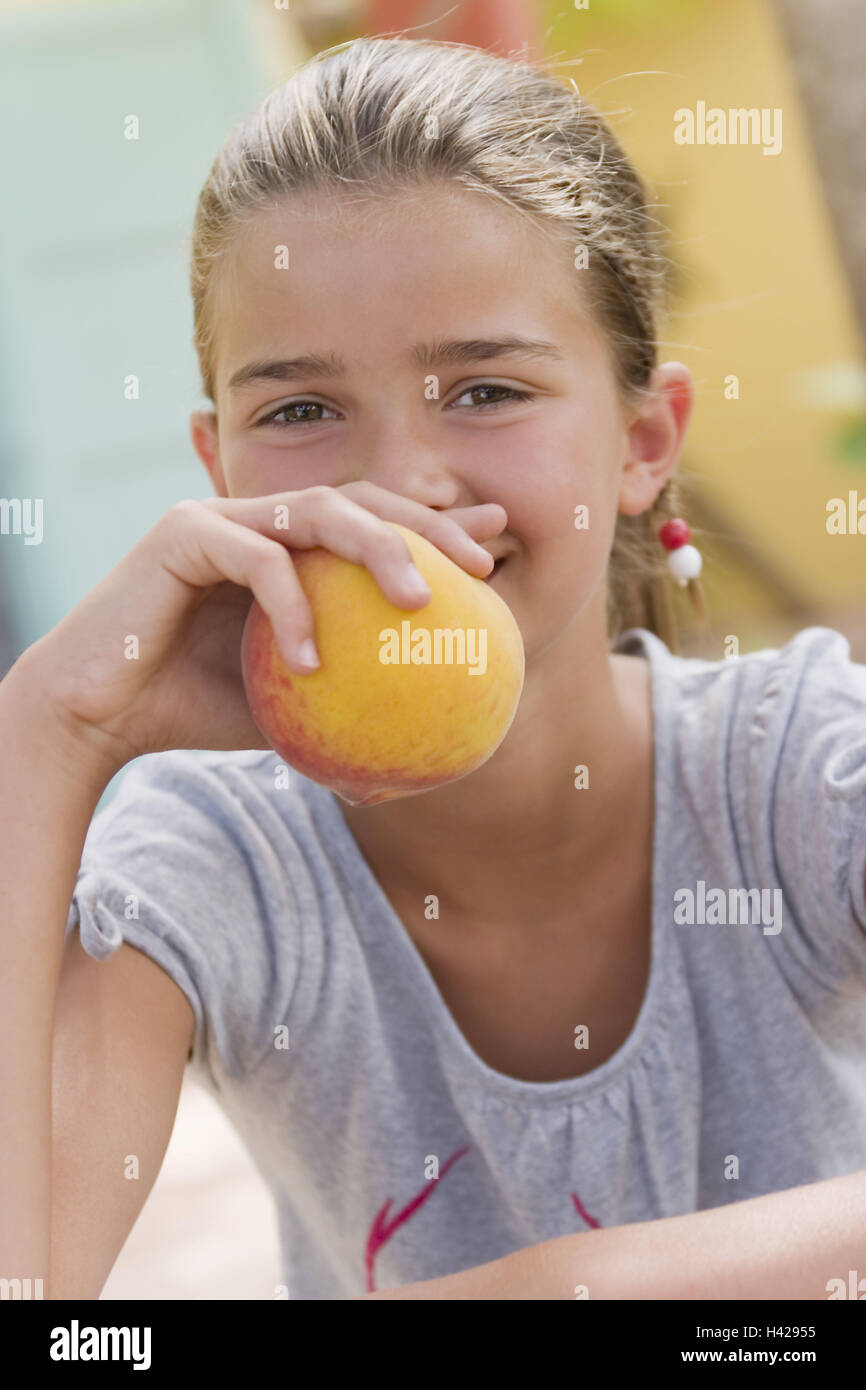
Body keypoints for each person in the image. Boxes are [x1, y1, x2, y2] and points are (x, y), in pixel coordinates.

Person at [2, 36, 865, 1302]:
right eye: (299, 410)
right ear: (219, 468)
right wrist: (46, 727)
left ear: (640, 442)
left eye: (485, 388)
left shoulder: (795, 770)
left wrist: (555, 1283)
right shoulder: (219, 866)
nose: (397, 486)